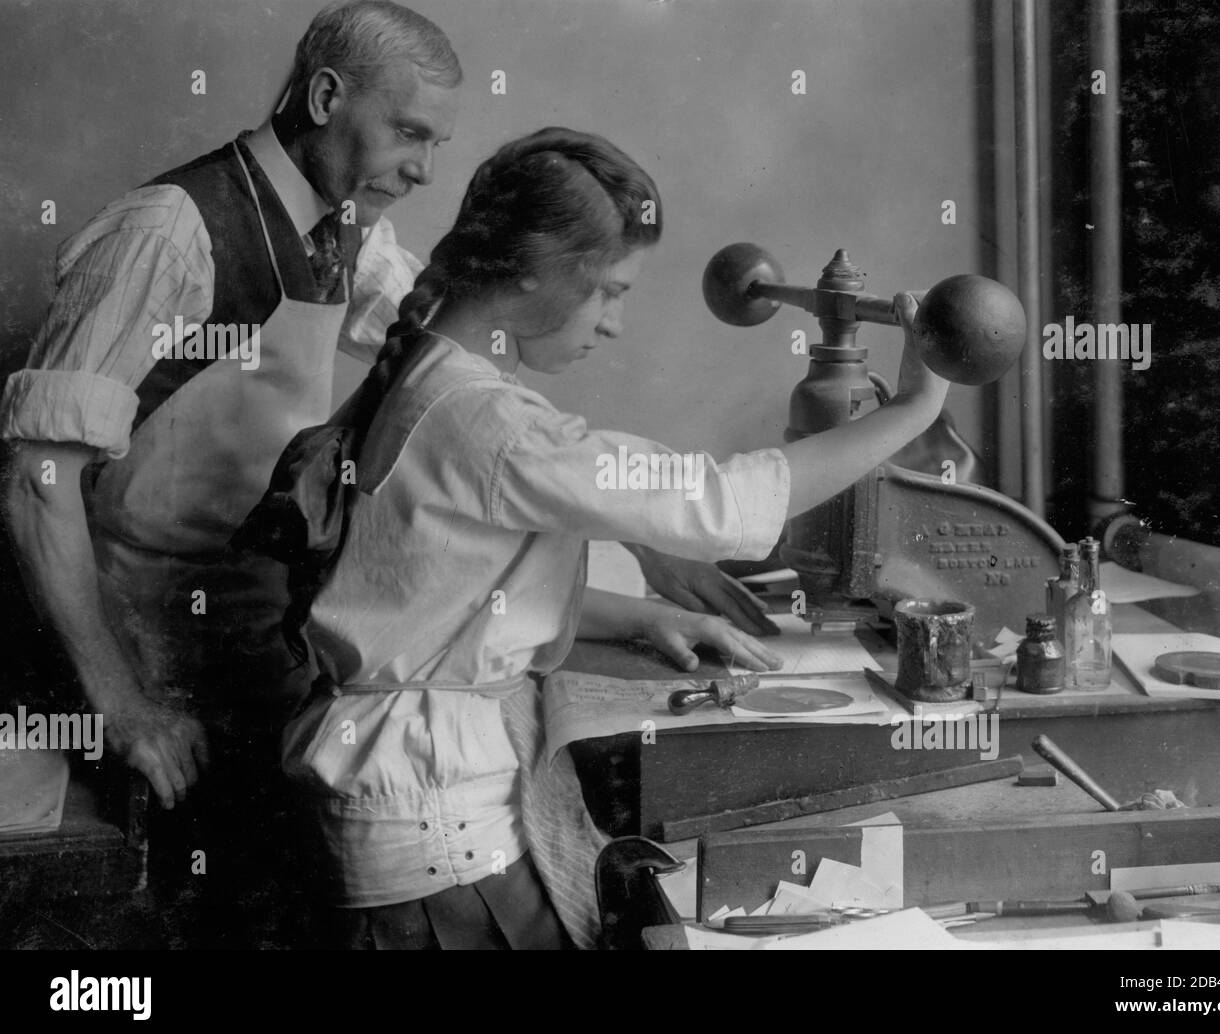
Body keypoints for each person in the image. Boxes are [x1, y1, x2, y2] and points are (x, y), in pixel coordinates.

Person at [0, 1, 769, 946]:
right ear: (325, 96)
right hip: (162, 681)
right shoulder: (172, 233)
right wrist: (126, 708)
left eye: (439, 144)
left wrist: (641, 557)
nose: (424, 168)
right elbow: (35, 482)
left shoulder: (346, 237)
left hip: (264, 670)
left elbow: (463, 390)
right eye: (407, 132)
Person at [280, 127, 951, 949]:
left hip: (404, 812)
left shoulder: (425, 370)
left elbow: (437, 600)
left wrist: (638, 617)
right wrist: (911, 409)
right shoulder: (485, 418)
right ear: (531, 272)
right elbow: (715, 499)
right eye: (609, 292)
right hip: (432, 834)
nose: (614, 325)